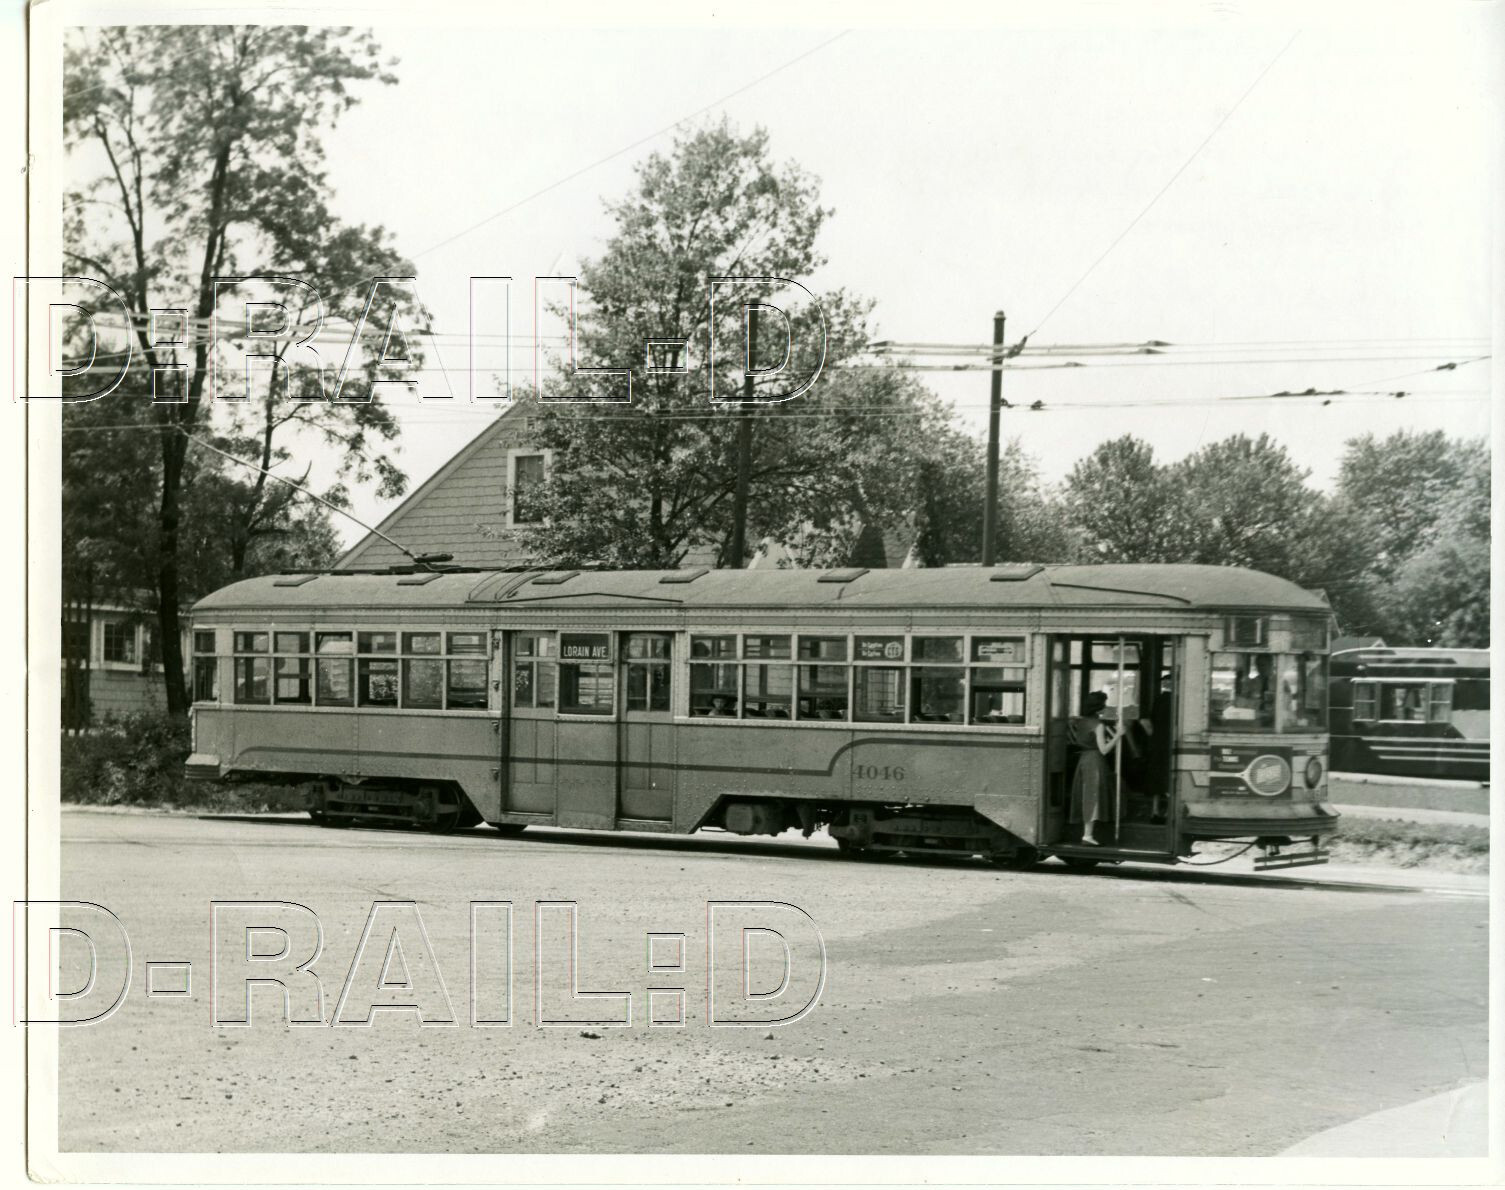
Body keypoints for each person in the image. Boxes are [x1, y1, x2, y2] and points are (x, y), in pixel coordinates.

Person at [1068, 691, 1135, 845]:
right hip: (1095, 761)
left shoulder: (1081, 722)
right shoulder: (1098, 725)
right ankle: (1088, 835)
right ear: (1098, 708)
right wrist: (1119, 734)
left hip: (1084, 759)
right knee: (1093, 796)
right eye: (1104, 705)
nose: (1106, 708)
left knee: (1087, 795)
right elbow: (1104, 749)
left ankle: (1088, 833)